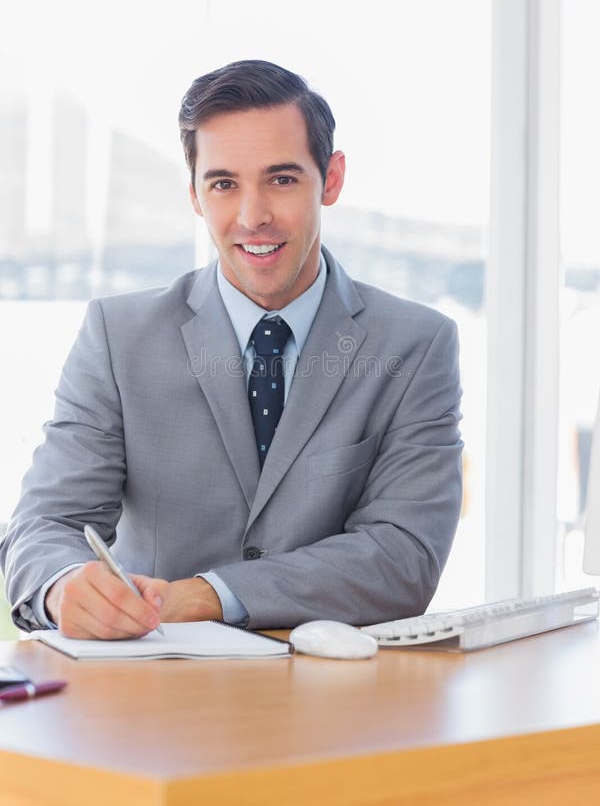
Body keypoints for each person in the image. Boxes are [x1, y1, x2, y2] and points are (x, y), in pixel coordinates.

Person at [0, 60, 463, 639]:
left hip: (334, 706)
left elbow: (403, 556)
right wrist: (64, 585)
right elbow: (45, 524)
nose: (253, 217)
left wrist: (209, 594)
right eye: (224, 184)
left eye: (282, 179)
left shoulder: (415, 346)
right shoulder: (118, 336)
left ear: (333, 178)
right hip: (151, 693)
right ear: (195, 193)